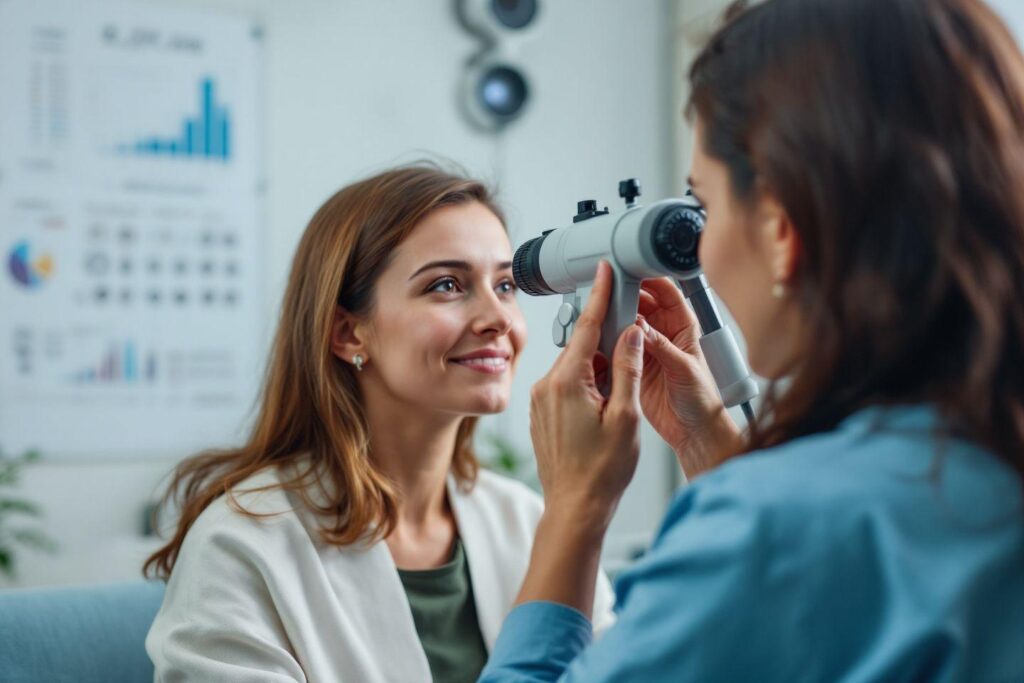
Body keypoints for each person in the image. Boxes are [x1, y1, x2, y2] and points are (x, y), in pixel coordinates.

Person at [480, 0, 1024, 680]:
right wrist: (713, 450)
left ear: (778, 228)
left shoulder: (779, 527)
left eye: (702, 202)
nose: (699, 244)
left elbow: (790, 570)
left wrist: (575, 507)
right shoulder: (976, 466)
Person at [142, 165, 615, 682]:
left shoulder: (527, 521)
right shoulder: (240, 547)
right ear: (348, 333)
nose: (498, 318)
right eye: (447, 285)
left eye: (505, 284)